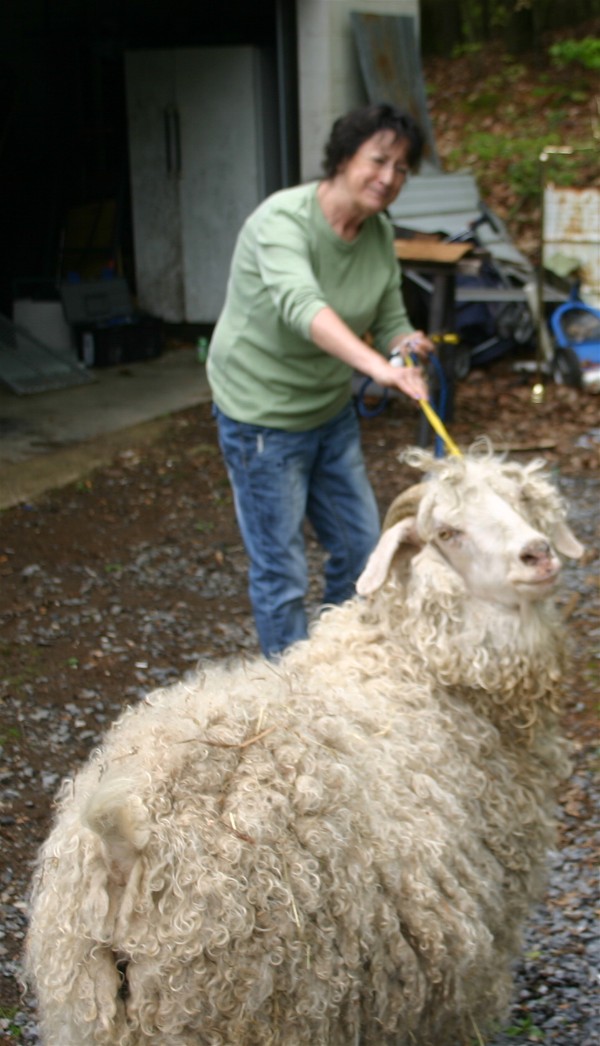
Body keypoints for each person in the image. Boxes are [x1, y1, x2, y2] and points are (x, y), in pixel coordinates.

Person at [207, 103, 432, 659]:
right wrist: (378, 369)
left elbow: (388, 317)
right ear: (342, 158)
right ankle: (290, 696)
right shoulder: (281, 222)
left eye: (402, 168)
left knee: (360, 549)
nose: (389, 178)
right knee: (281, 571)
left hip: (329, 412)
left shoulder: (377, 232)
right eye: (378, 160)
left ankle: (334, 663)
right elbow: (302, 308)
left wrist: (404, 347)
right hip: (262, 416)